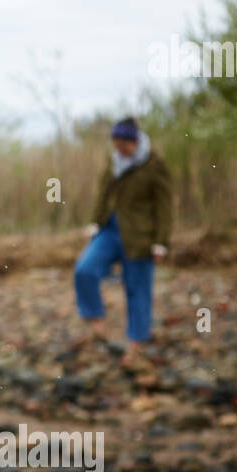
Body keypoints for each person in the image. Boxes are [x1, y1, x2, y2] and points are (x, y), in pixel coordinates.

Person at [73, 116, 172, 363]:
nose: (119, 149)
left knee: (138, 290)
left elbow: (165, 206)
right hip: (110, 230)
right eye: (115, 144)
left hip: (140, 237)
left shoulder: (154, 164)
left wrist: (161, 242)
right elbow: (103, 193)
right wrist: (95, 222)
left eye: (124, 144)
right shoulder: (114, 161)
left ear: (135, 141)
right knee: (84, 270)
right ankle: (97, 320)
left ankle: (136, 346)